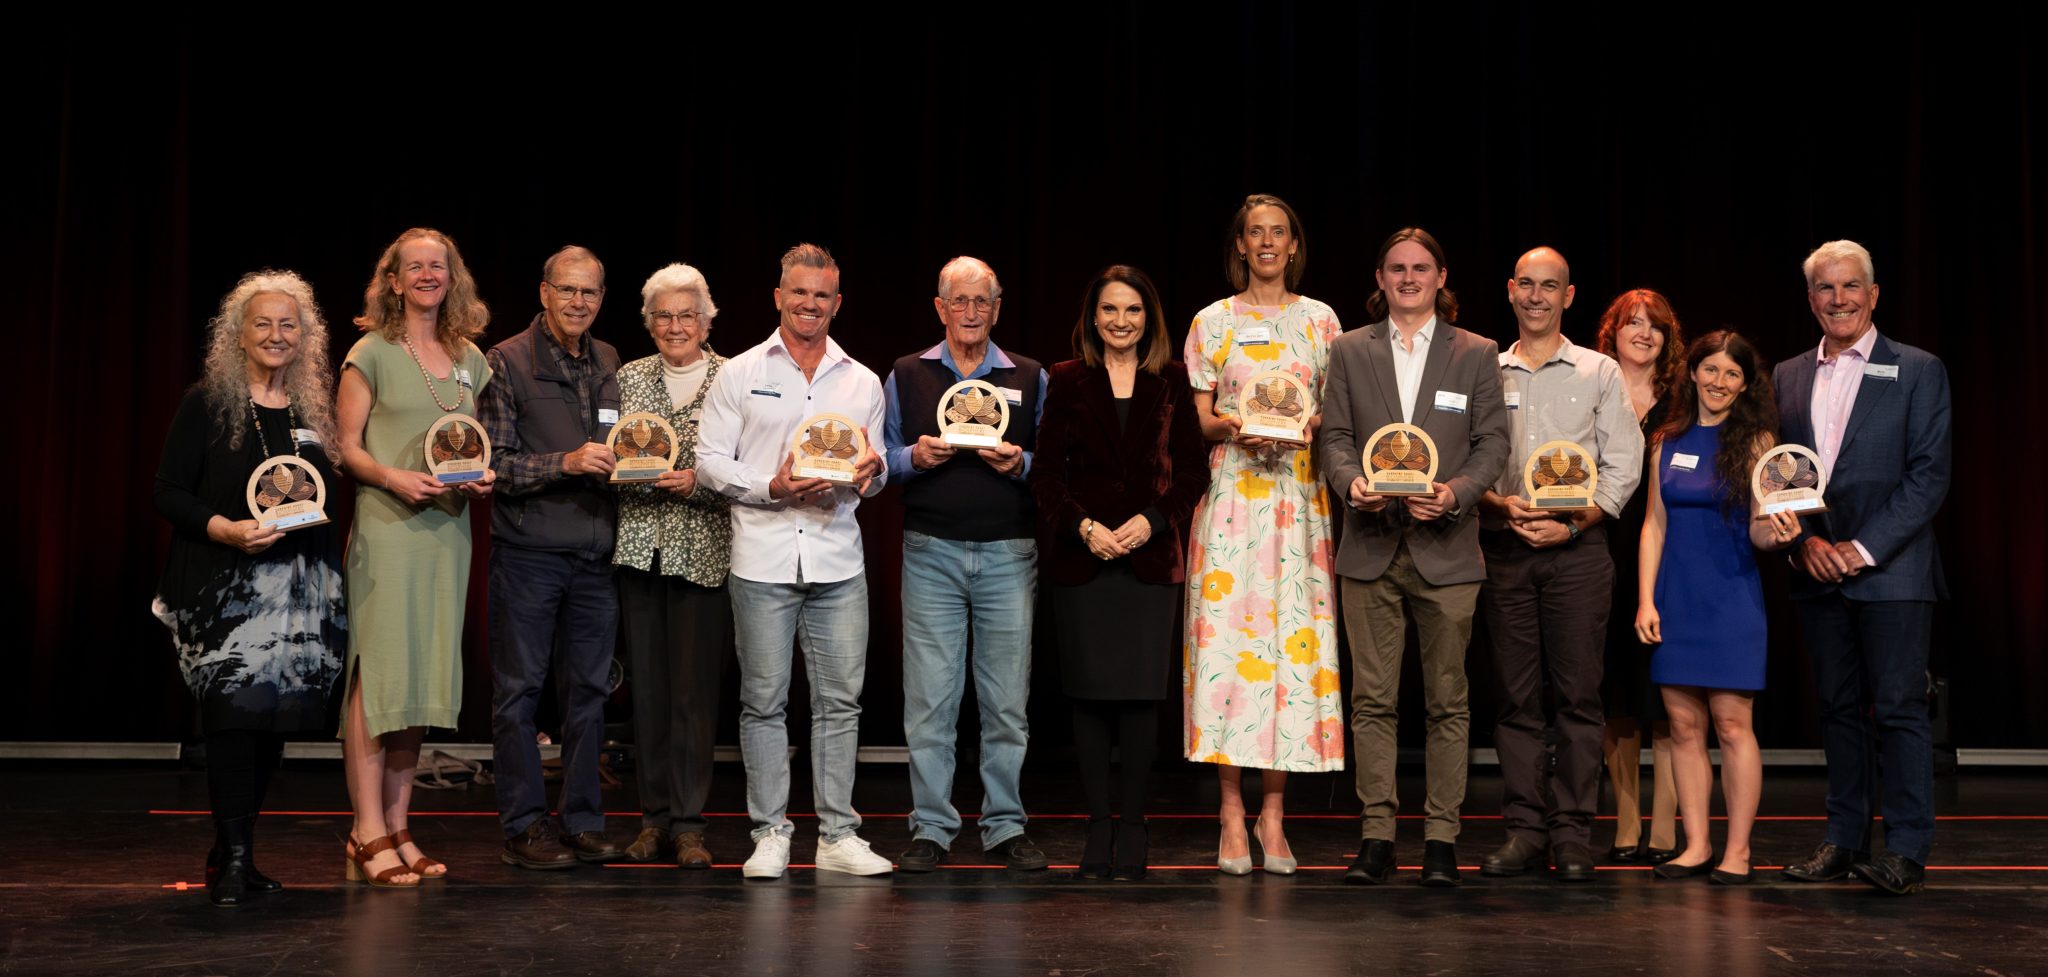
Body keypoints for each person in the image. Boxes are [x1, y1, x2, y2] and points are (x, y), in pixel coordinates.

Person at [1319, 227, 1509, 886]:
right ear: (1379, 277)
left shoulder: (1476, 351)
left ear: (1440, 275)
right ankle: (1376, 835)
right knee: (1372, 701)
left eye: (1420, 268)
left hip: (1446, 548)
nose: (1408, 278)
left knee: (1448, 702)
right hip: (1369, 545)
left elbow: (1492, 445)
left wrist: (1456, 493)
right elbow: (1335, 439)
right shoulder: (1347, 350)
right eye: (1396, 268)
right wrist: (1352, 485)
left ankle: (1440, 839)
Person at [696, 243, 891, 879]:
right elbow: (708, 462)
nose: (810, 304)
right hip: (762, 558)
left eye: (822, 295)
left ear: (838, 302)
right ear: (778, 296)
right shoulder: (739, 372)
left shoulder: (861, 379)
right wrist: (772, 487)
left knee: (840, 703)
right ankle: (771, 833)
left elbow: (878, 468)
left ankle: (836, 835)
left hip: (838, 560)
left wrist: (871, 471)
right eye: (799, 293)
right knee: (763, 703)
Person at [153, 271, 346, 905]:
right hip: (225, 589)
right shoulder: (207, 403)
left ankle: (235, 852)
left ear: (305, 337)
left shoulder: (312, 411)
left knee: (274, 724)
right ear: (237, 335)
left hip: (299, 594)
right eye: (262, 323)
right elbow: (168, 492)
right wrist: (226, 531)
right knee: (233, 722)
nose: (276, 334)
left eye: (289, 324)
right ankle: (232, 859)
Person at [1773, 240, 1951, 896]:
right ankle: (1845, 838)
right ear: (1811, 298)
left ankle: (1904, 847)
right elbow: (1781, 480)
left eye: (1851, 287)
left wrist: (1861, 548)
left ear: (1873, 294)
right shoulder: (1787, 375)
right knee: (1837, 709)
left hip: (1893, 571)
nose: (1839, 298)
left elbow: (1928, 477)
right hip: (1815, 570)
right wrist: (1804, 546)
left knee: (1900, 709)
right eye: (1826, 288)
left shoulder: (1919, 369)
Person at [1181, 194, 1344, 877]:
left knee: (1289, 659)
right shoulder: (1212, 321)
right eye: (1256, 233)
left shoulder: (1322, 321)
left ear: (1294, 244)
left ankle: (1274, 816)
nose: (1268, 242)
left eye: (1280, 232)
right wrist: (1235, 424)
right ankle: (1229, 812)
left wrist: (1307, 429)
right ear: (1242, 246)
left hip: (1298, 505)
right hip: (1234, 505)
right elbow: (1203, 417)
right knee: (1227, 655)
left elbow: (1333, 415)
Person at [1030, 265, 1209, 881]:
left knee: (1138, 701)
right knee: (1088, 699)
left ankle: (1134, 827)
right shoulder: (1065, 379)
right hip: (1084, 560)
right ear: (1093, 317)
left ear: (1148, 318)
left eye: (1133, 310)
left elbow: (1193, 473)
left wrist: (1153, 523)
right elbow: (1046, 476)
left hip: (1150, 561)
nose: (1121, 321)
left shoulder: (1174, 381)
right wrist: (1083, 527)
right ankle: (1098, 826)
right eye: (1110, 309)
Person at [335, 227, 495, 887]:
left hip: (446, 535)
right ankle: (364, 827)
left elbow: (471, 441)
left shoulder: (470, 359)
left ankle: (399, 824)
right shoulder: (369, 352)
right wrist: (392, 478)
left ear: (452, 278)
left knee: (423, 679)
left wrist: (482, 475)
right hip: (388, 529)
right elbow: (346, 445)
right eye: (415, 267)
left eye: (440, 265)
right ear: (393, 280)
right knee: (378, 678)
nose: (429, 275)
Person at [1477, 246, 1644, 883]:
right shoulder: (1485, 370)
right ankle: (1524, 831)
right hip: (1505, 548)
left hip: (1579, 554)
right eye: (1527, 284)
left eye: (1551, 286)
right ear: (1511, 290)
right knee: (1516, 700)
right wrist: (1495, 503)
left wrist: (1574, 521)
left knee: (1579, 699)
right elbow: (1473, 459)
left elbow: (1624, 465)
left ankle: (1573, 834)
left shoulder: (1600, 372)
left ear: (1568, 296)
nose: (1538, 296)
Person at [882, 257, 1050, 872]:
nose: (971, 313)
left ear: (997, 309)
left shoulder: (1030, 376)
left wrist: (1023, 465)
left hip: (1009, 553)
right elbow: (878, 464)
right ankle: (932, 827)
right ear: (940, 307)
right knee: (930, 702)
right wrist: (913, 458)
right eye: (960, 301)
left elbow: (1052, 466)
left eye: (982, 302)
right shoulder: (906, 373)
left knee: (1006, 702)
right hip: (931, 551)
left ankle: (1004, 825)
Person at [476, 245, 626, 869]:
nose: (578, 302)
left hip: (596, 553)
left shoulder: (611, 360)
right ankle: (524, 825)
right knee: (519, 691)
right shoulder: (505, 361)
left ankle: (583, 820)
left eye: (589, 292)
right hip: (529, 554)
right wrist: (564, 462)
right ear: (543, 293)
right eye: (567, 290)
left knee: (589, 692)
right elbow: (491, 465)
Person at [1635, 330, 1800, 884]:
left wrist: (1780, 535)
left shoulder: (1756, 443)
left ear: (1746, 383)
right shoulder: (1667, 439)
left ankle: (1738, 851)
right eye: (1711, 370)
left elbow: (1760, 531)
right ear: (1693, 372)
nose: (1719, 382)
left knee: (1732, 726)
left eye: (1732, 374)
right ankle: (1696, 844)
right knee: (1683, 726)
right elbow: (1654, 525)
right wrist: (1644, 600)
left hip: (1731, 598)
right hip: (1674, 598)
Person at [613, 263, 734, 870]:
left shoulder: (732, 377)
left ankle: (689, 825)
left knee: (693, 698)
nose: (676, 325)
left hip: (704, 551)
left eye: (688, 314)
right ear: (649, 322)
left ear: (708, 321)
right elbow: (610, 458)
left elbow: (745, 468)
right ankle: (651, 822)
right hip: (639, 548)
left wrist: (701, 483)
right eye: (664, 315)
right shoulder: (627, 378)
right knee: (650, 695)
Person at [1592, 289, 1684, 864]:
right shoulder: (1592, 385)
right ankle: (1627, 821)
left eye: (1655, 326)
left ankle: (1668, 826)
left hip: (1670, 559)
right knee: (1617, 695)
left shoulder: (1685, 398)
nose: (1643, 334)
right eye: (1633, 324)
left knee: (1667, 695)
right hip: (1600, 550)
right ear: (1614, 332)